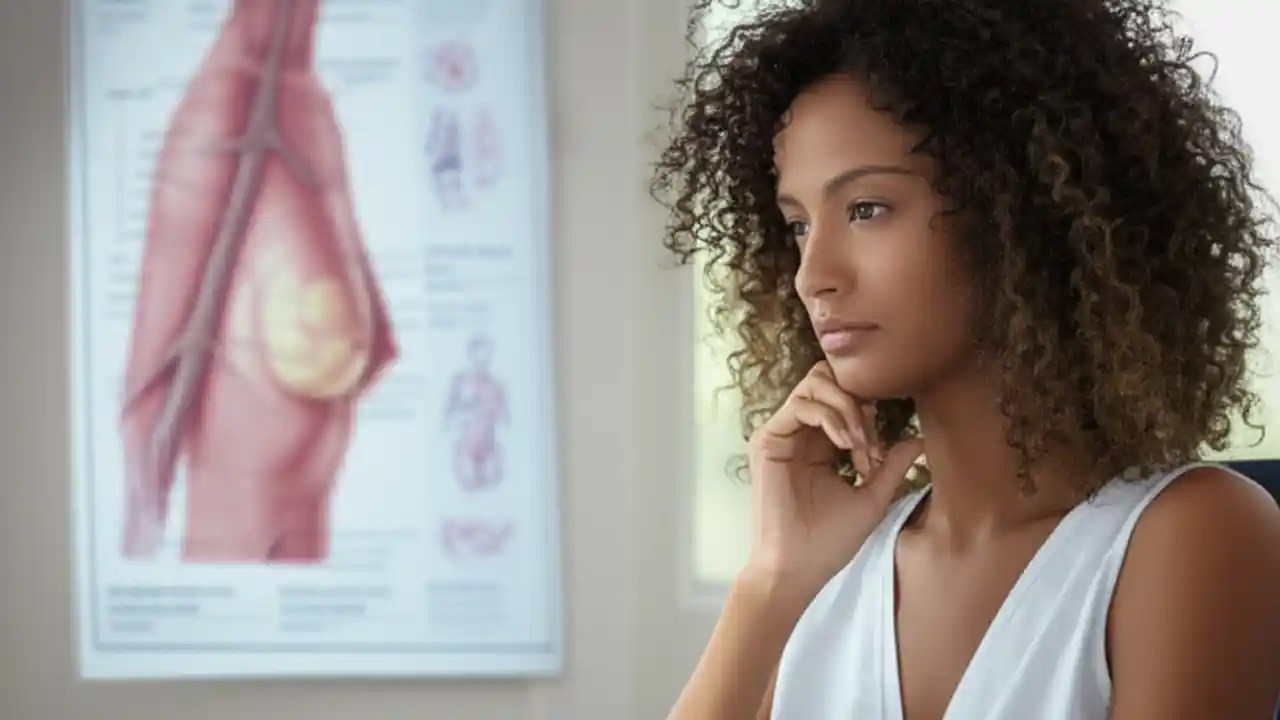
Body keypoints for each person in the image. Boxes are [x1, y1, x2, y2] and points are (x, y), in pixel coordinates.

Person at [651, 0, 1280, 717]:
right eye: (797, 225)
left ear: (1022, 212)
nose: (812, 273)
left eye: (866, 209)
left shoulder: (1190, 534)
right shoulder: (825, 575)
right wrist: (771, 580)